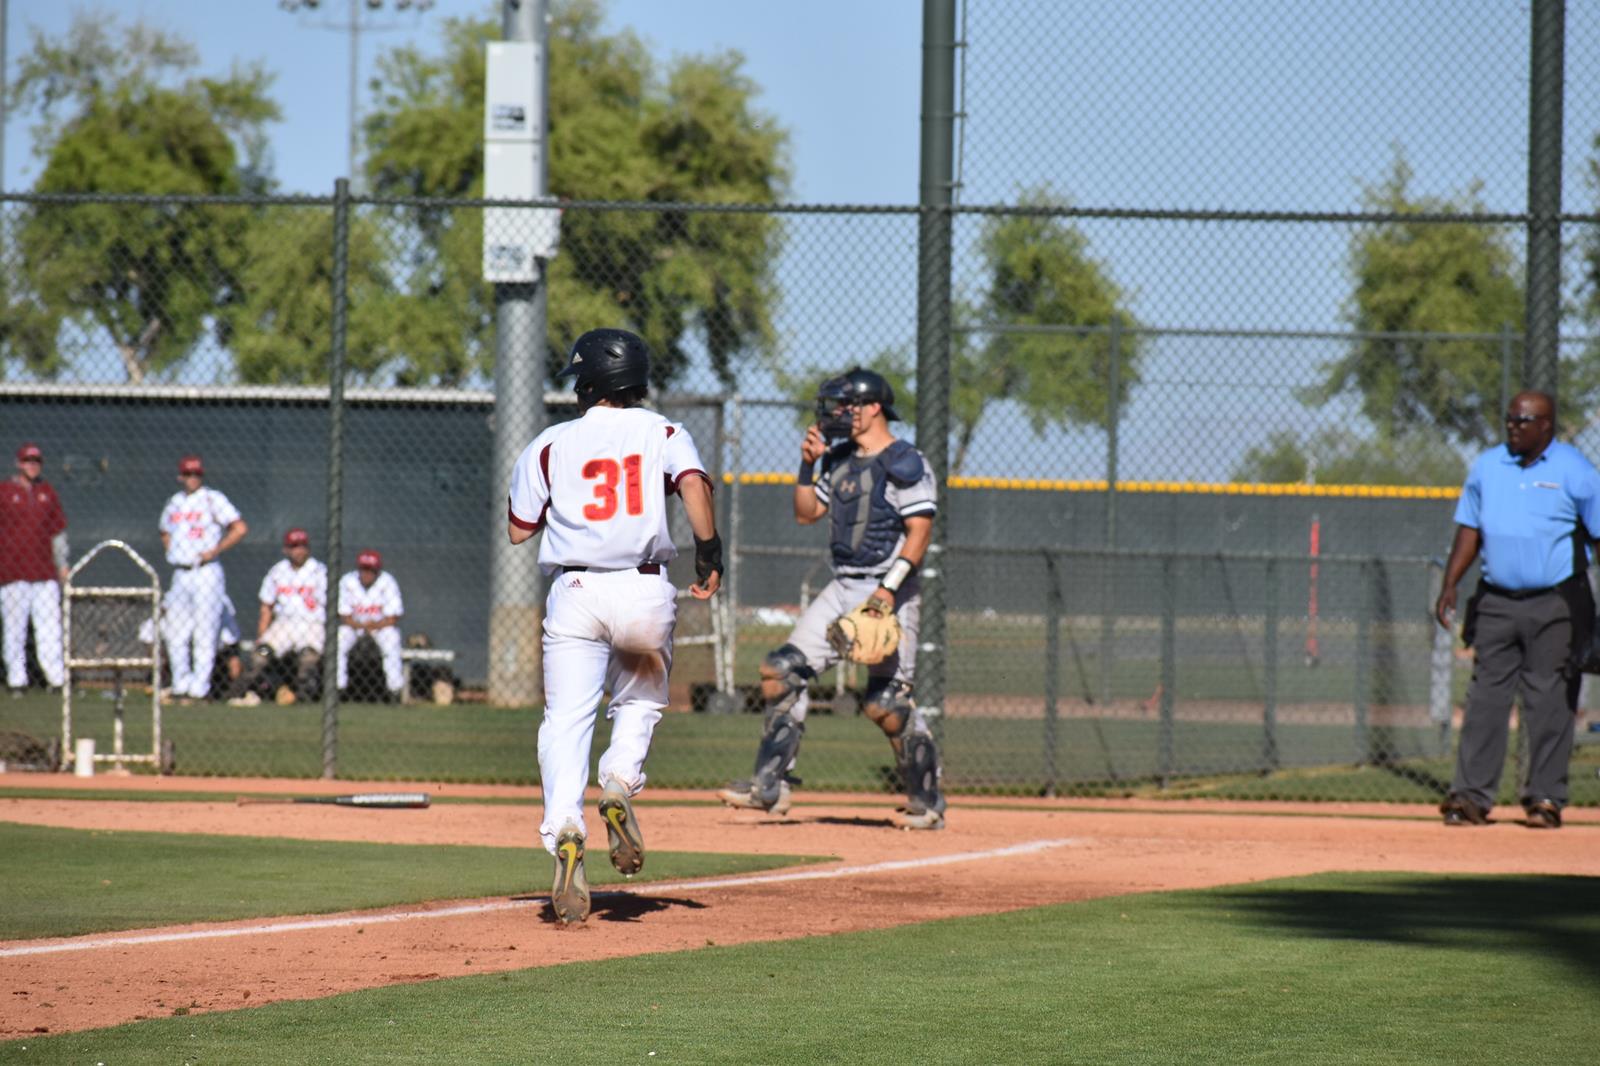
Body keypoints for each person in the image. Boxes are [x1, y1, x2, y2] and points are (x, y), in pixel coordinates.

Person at [507, 327, 723, 925]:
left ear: (587, 383)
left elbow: (519, 530)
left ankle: (565, 827)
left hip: (575, 591)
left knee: (566, 718)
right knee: (640, 700)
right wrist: (709, 554)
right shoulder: (664, 431)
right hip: (643, 588)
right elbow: (692, 486)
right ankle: (620, 780)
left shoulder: (550, 442)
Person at [718, 368, 947, 830]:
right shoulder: (840, 458)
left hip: (888, 589)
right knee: (781, 670)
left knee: (885, 702)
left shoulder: (905, 461)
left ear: (874, 408)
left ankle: (927, 802)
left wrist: (887, 591)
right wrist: (808, 465)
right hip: (841, 585)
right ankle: (771, 786)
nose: (839, 413)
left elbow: (919, 532)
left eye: (848, 405)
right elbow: (807, 513)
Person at [1434, 389, 1600, 829]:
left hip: (1556, 601)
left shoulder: (1575, 471)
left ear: (1546, 425)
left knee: (1550, 698)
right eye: (1510, 419)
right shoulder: (1489, 466)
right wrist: (1450, 583)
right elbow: (1469, 528)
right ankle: (1470, 797)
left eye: (1523, 420)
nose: (1513, 426)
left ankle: (1545, 798)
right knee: (1485, 698)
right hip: (1496, 600)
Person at [160, 454, 248, 702]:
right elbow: (164, 531)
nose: (193, 478)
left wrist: (215, 550)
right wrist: (173, 552)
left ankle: (199, 688)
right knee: (176, 632)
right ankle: (180, 685)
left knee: (205, 632)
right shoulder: (174, 502)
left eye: (196, 474)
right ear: (180, 476)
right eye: (188, 474)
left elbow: (240, 528)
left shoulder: (212, 498)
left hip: (206, 571)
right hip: (181, 572)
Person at [228, 528, 327, 707]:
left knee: (308, 658)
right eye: (294, 546)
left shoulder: (319, 571)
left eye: (302, 546)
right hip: (284, 624)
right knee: (261, 654)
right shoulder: (278, 571)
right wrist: (261, 636)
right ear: (286, 549)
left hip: (312, 623)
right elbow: (266, 607)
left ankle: (303, 699)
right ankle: (237, 693)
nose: (299, 551)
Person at [1, 443, 69, 695]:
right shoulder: (5, 491)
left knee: (50, 628)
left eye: (36, 461)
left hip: (44, 572)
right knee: (14, 630)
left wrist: (62, 564)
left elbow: (58, 532)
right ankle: (16, 681)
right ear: (19, 464)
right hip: (12, 573)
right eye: (28, 461)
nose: (32, 465)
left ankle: (56, 680)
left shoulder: (47, 492)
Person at [336, 549, 405, 703]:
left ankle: (395, 690)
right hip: (354, 626)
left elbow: (393, 618)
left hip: (380, 627)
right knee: (339, 637)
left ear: (377, 571)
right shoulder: (348, 581)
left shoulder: (387, 581)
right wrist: (361, 625)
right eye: (363, 569)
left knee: (391, 638)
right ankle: (338, 688)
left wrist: (374, 625)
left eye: (371, 570)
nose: (366, 574)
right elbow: (344, 616)